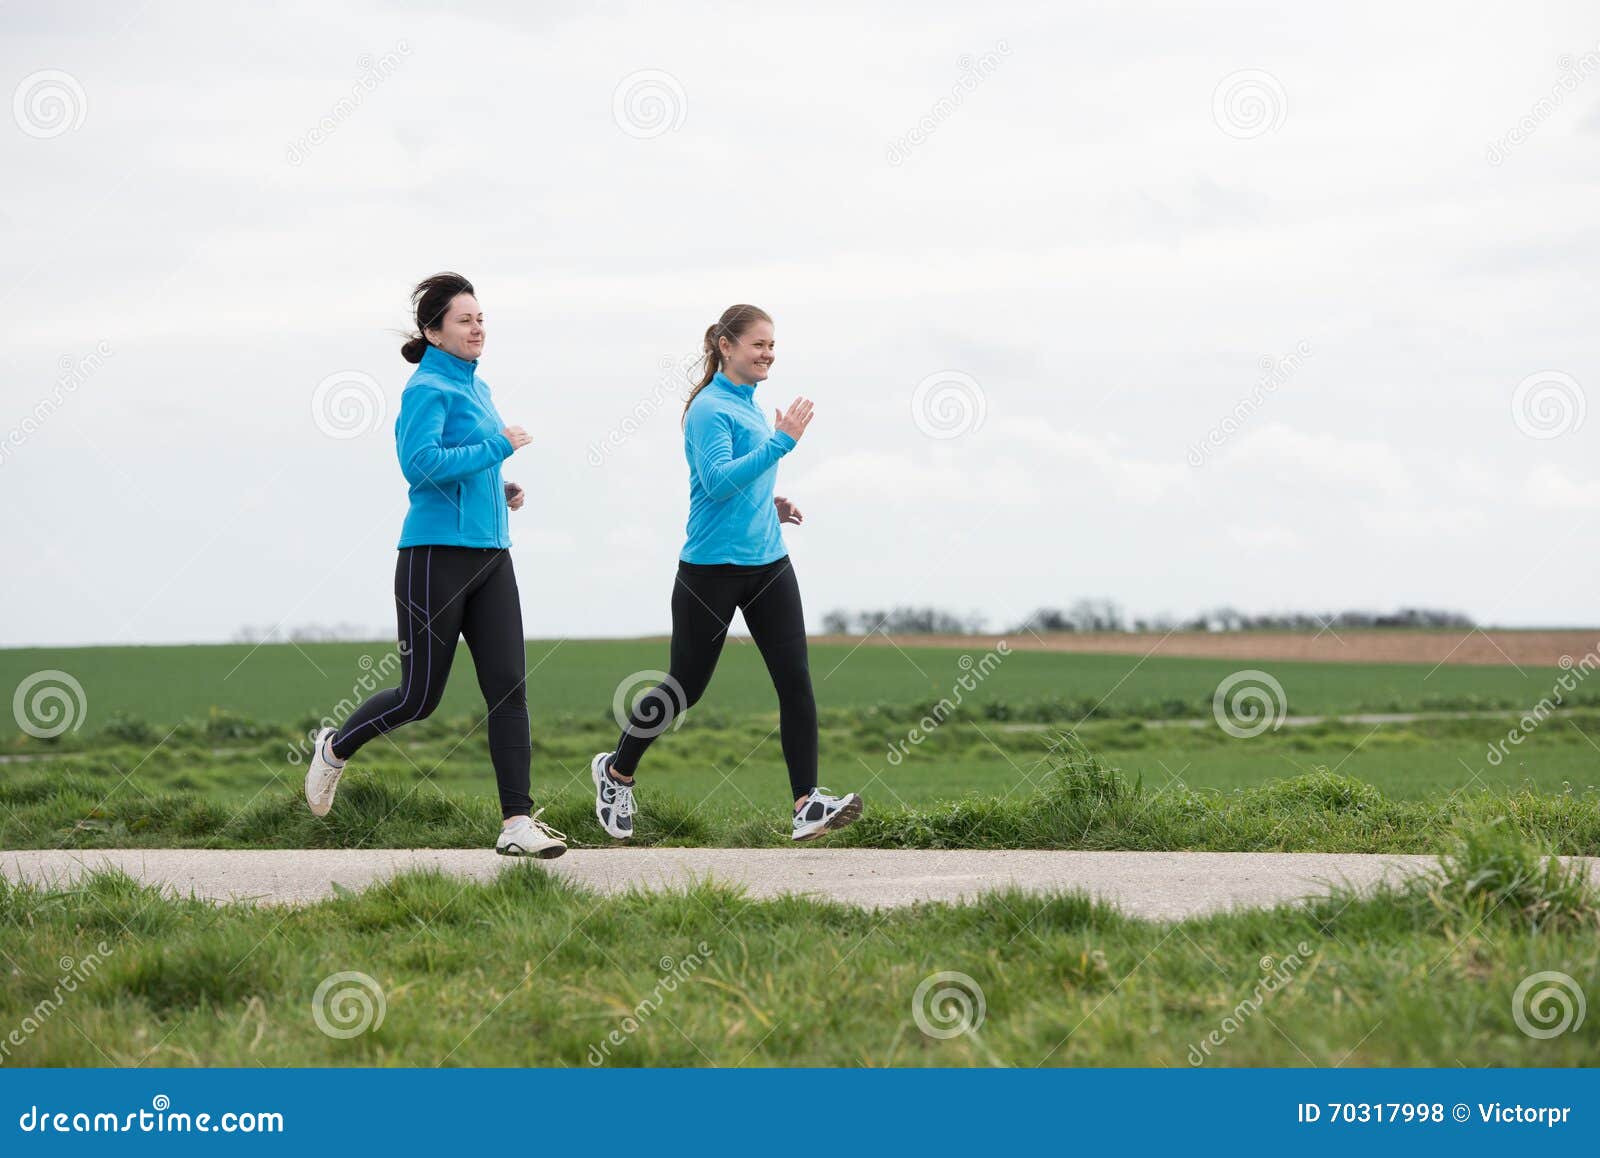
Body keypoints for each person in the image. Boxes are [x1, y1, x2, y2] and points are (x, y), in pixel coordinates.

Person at [302, 272, 566, 858]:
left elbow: (462, 464)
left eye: (481, 319)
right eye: (464, 320)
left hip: (492, 558)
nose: (477, 328)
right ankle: (335, 748)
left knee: (509, 690)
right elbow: (419, 466)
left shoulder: (479, 387)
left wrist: (501, 487)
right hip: (433, 559)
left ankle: (517, 824)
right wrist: (498, 448)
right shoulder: (425, 389)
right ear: (434, 331)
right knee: (420, 696)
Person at [590, 304, 863, 842]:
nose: (768, 355)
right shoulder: (710, 409)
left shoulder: (749, 405)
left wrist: (768, 505)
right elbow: (715, 481)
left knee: (796, 684)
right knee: (683, 688)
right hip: (711, 568)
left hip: (768, 563)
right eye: (759, 345)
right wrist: (782, 441)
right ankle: (616, 772)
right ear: (725, 345)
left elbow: (743, 478)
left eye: (772, 346)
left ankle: (806, 804)